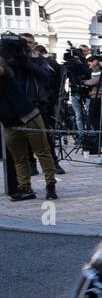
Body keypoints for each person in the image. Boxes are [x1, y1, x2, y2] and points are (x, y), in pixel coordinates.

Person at [0, 42, 59, 201]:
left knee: (42, 153)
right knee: (19, 158)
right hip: (10, 123)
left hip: (29, 116)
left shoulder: (6, 70)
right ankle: (25, 188)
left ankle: (50, 186)